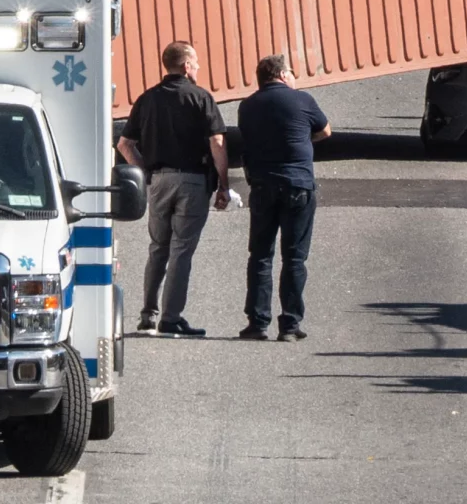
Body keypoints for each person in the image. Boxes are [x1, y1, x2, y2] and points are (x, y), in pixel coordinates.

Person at [116, 42, 228, 338]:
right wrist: (224, 185)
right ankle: (171, 317)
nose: (199, 68)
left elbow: (125, 144)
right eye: (197, 63)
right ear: (186, 65)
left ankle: (148, 314)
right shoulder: (201, 97)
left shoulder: (147, 99)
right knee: (181, 251)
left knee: (158, 248)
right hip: (192, 181)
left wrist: (146, 174)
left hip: (159, 181)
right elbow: (217, 143)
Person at [235, 52, 328, 342]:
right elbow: (325, 130)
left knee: (261, 255)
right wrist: (302, 139)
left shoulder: (247, 106)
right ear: (283, 74)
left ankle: (257, 322)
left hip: (263, 185)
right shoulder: (302, 100)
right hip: (298, 185)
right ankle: (289, 325)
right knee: (294, 258)